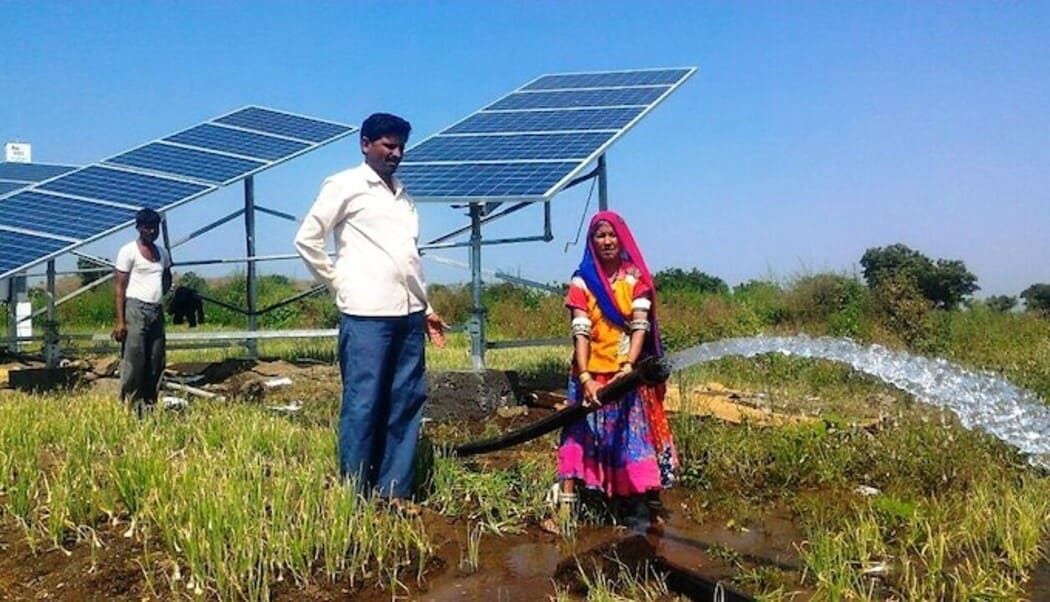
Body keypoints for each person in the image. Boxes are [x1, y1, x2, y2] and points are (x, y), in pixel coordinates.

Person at [294, 112, 447, 504]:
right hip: (366, 313)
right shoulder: (345, 185)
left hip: (408, 314)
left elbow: (408, 258)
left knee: (405, 401)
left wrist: (426, 307)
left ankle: (395, 490)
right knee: (364, 403)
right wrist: (338, 281)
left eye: (400, 147)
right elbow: (308, 238)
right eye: (388, 145)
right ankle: (356, 492)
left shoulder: (403, 196)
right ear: (366, 144)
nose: (395, 153)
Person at [551, 210, 677, 531]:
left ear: (621, 238)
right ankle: (565, 511)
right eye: (599, 236)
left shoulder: (636, 279)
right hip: (590, 375)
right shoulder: (582, 281)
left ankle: (636, 508)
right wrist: (585, 378)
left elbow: (639, 326)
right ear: (592, 242)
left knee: (629, 438)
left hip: (625, 375)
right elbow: (581, 331)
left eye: (611, 235)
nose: (606, 241)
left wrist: (627, 368)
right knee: (577, 434)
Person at [113, 208, 172, 417]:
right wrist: (120, 322)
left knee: (156, 360)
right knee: (134, 360)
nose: (152, 231)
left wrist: (161, 294)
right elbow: (119, 287)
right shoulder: (128, 251)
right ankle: (129, 407)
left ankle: (149, 407)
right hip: (135, 309)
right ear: (139, 228)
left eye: (155, 228)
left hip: (156, 310)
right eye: (147, 227)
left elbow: (166, 278)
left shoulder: (162, 253)